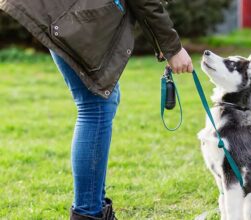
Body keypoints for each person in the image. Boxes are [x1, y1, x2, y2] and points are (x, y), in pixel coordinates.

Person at [1, 0, 193, 219]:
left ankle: (95, 207)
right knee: (95, 108)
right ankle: (88, 211)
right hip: (66, 14)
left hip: (63, 11)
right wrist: (172, 48)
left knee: (103, 101)